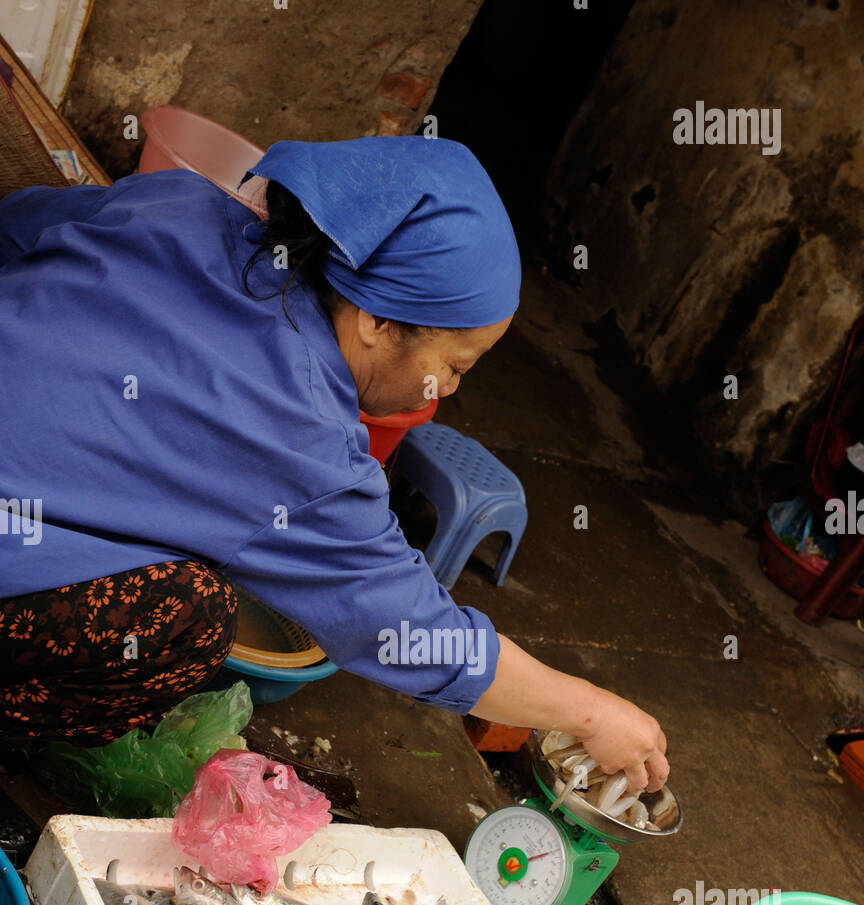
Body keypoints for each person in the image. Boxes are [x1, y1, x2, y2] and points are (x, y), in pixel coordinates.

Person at [0, 135, 668, 793]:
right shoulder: (300, 440)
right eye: (455, 366)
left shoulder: (178, 202)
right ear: (376, 320)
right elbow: (406, 630)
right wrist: (591, 710)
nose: (452, 389)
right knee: (187, 617)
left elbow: (17, 227)